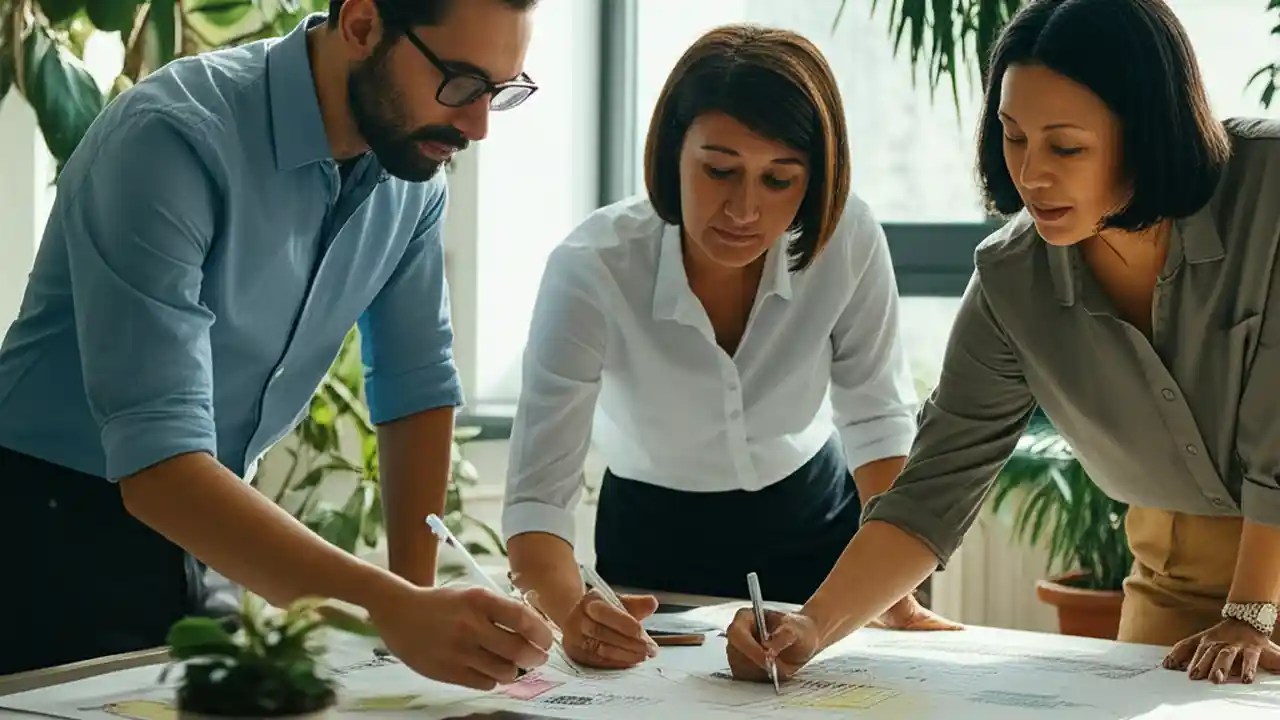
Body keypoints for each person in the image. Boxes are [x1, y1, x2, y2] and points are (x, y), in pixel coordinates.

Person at [725, 0, 1280, 688]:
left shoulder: (1270, 191)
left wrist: (1253, 614)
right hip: (1180, 581)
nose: (1032, 173)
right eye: (1014, 137)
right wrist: (811, 627)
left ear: (1149, 133)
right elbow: (932, 492)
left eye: (1066, 146)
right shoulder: (1013, 280)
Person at [0, 0, 554, 687]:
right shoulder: (171, 138)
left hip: (215, 529)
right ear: (360, 25)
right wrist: (393, 613)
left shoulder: (408, 175)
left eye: (500, 93)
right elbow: (159, 465)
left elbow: (415, 386)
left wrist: (416, 614)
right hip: (43, 530)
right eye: (462, 84)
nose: (476, 126)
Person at [501, 23, 961, 672]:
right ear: (671, 153)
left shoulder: (846, 235)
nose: (744, 208)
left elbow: (875, 415)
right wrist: (568, 611)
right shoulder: (591, 267)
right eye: (719, 170)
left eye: (780, 180)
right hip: (650, 540)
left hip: (819, 524)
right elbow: (538, 495)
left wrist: (892, 583)